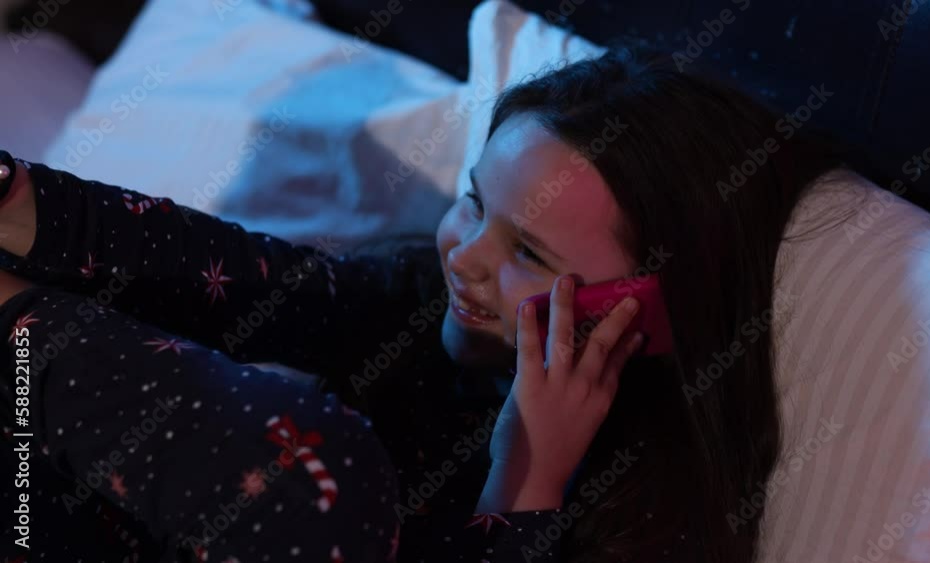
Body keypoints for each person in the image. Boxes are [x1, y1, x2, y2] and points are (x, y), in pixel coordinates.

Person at [0, 39, 875, 562]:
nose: (466, 256)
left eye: (527, 250)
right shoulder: (424, 306)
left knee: (320, 484)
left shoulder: (651, 522)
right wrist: (26, 207)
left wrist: (524, 481)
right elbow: (247, 280)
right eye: (473, 201)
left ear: (642, 312)